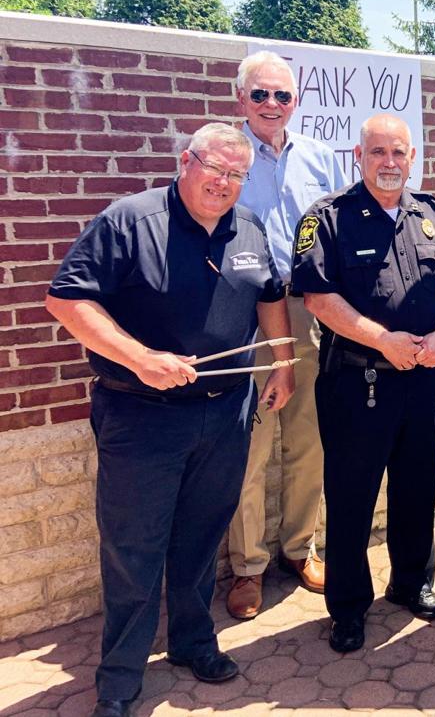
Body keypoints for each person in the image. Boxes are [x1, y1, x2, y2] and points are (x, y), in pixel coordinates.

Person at [45, 124, 294, 717]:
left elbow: (269, 295)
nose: (225, 183)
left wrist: (281, 364)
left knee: (201, 539)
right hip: (141, 416)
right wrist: (140, 358)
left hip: (226, 413)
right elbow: (67, 299)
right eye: (216, 169)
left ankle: (191, 643)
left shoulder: (250, 228)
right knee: (134, 549)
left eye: (238, 175)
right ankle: (120, 679)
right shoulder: (130, 221)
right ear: (186, 162)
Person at [291, 113, 435, 653]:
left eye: (399, 153)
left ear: (413, 158)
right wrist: (383, 339)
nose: (390, 163)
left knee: (417, 490)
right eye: (379, 153)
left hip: (424, 380)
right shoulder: (327, 219)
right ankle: (347, 607)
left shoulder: (432, 214)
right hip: (356, 383)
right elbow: (318, 298)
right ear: (358, 157)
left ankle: (412, 582)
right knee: (351, 499)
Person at [225, 51, 345, 619]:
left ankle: (300, 549)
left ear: (296, 102)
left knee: (309, 439)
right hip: (246, 316)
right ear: (240, 99)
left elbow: (340, 233)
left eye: (283, 95)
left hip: (309, 311)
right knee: (248, 447)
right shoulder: (228, 159)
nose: (272, 104)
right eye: (260, 94)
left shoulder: (321, 159)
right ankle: (247, 567)